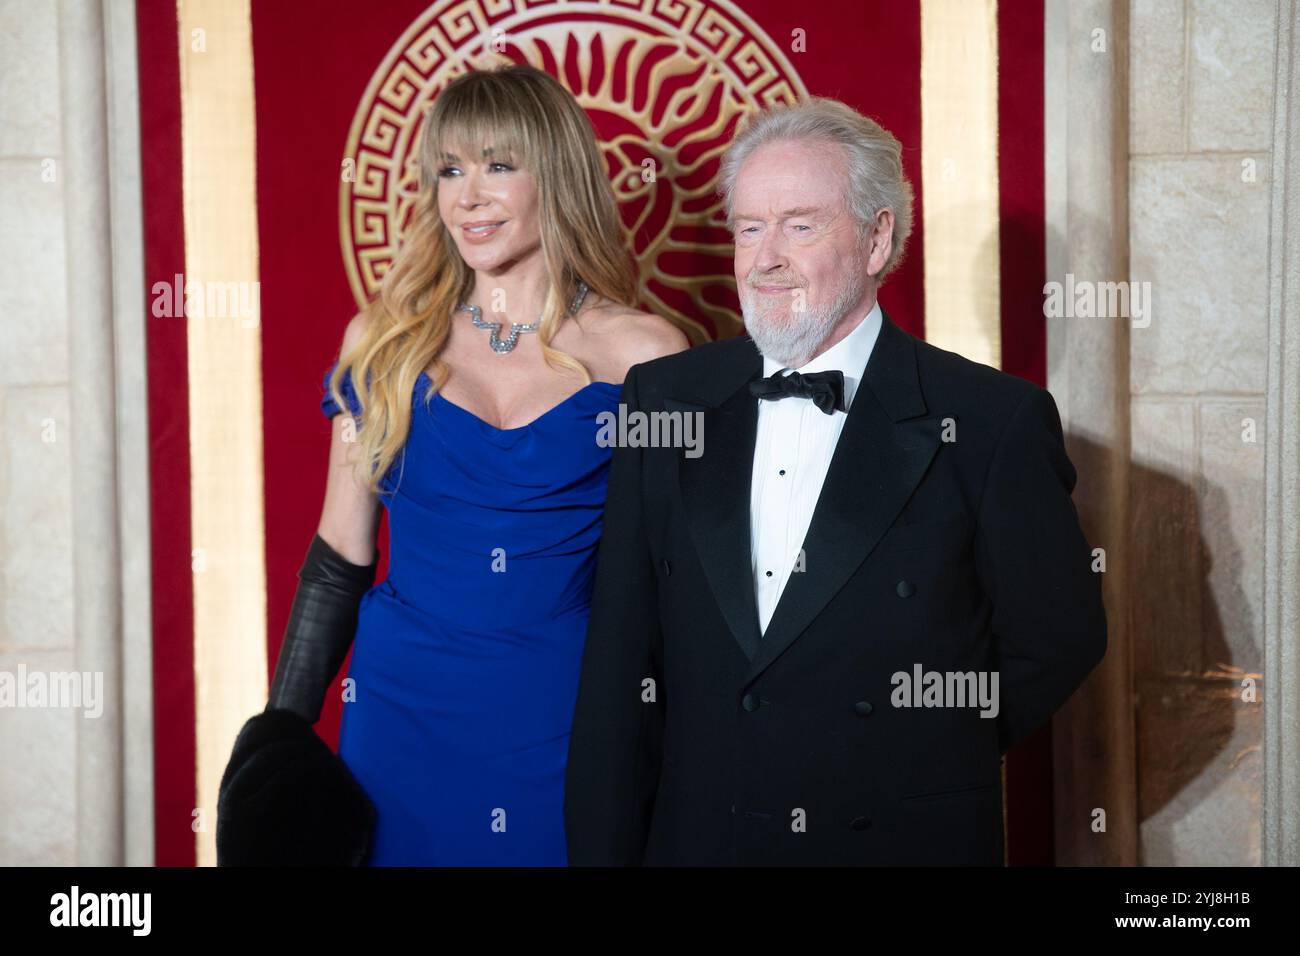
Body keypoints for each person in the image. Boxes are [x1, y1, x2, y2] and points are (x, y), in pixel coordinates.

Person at [564, 97, 1107, 866]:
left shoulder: (990, 420)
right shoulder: (663, 398)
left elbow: (1058, 637)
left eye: (800, 224)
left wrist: (917, 744)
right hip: (699, 840)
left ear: (878, 236)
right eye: (749, 228)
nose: (765, 257)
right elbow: (621, 657)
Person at [266, 63, 686, 866]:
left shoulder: (646, 356)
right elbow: (338, 556)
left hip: (565, 706)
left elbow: (676, 575)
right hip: (399, 705)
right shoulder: (383, 342)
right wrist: (278, 736)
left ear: (555, 173)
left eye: (498, 165)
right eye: (450, 170)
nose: (468, 195)